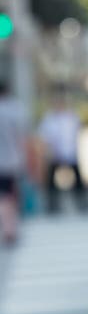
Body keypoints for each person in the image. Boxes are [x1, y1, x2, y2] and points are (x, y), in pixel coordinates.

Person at [38, 88, 88, 213]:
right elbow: (45, 137)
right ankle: (53, 207)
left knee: (78, 182)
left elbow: (77, 132)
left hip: (70, 153)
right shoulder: (49, 119)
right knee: (52, 183)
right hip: (55, 155)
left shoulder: (71, 117)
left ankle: (83, 205)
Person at [0, 82, 26, 245]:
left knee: (5, 196)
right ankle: (10, 229)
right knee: (8, 196)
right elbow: (21, 137)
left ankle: (8, 228)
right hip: (10, 161)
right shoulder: (14, 109)